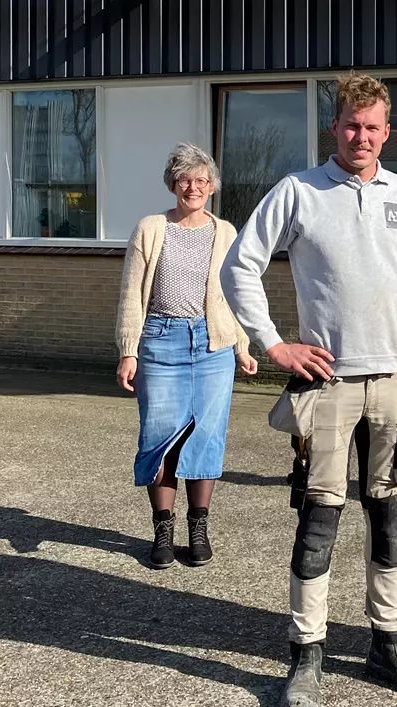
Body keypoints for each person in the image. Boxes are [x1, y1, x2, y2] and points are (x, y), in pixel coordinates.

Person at [220, 72, 397, 707]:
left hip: (394, 383)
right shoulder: (299, 191)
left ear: (387, 132)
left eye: (372, 126)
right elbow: (240, 264)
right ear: (335, 127)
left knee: (390, 514)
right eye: (351, 124)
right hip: (324, 385)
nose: (361, 136)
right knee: (319, 519)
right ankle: (307, 654)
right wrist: (274, 344)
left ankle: (389, 644)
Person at [115, 143, 257, 570]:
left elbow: (237, 294)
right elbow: (131, 294)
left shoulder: (226, 232)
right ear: (172, 184)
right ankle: (163, 529)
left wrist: (242, 345)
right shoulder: (151, 228)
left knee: (207, 437)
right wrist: (128, 351)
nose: (192, 187)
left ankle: (199, 527)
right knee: (160, 438)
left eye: (200, 180)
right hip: (160, 341)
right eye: (184, 180)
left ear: (212, 187)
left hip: (213, 346)